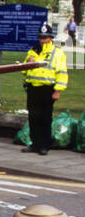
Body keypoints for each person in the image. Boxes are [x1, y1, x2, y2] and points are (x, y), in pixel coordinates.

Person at [23, 22, 68, 155]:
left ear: (51, 38)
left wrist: (57, 90)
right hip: (33, 89)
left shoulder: (57, 52)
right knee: (33, 117)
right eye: (41, 37)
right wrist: (28, 63)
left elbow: (62, 73)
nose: (43, 40)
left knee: (45, 118)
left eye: (46, 37)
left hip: (47, 89)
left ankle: (44, 145)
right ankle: (34, 144)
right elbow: (24, 71)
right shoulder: (33, 50)